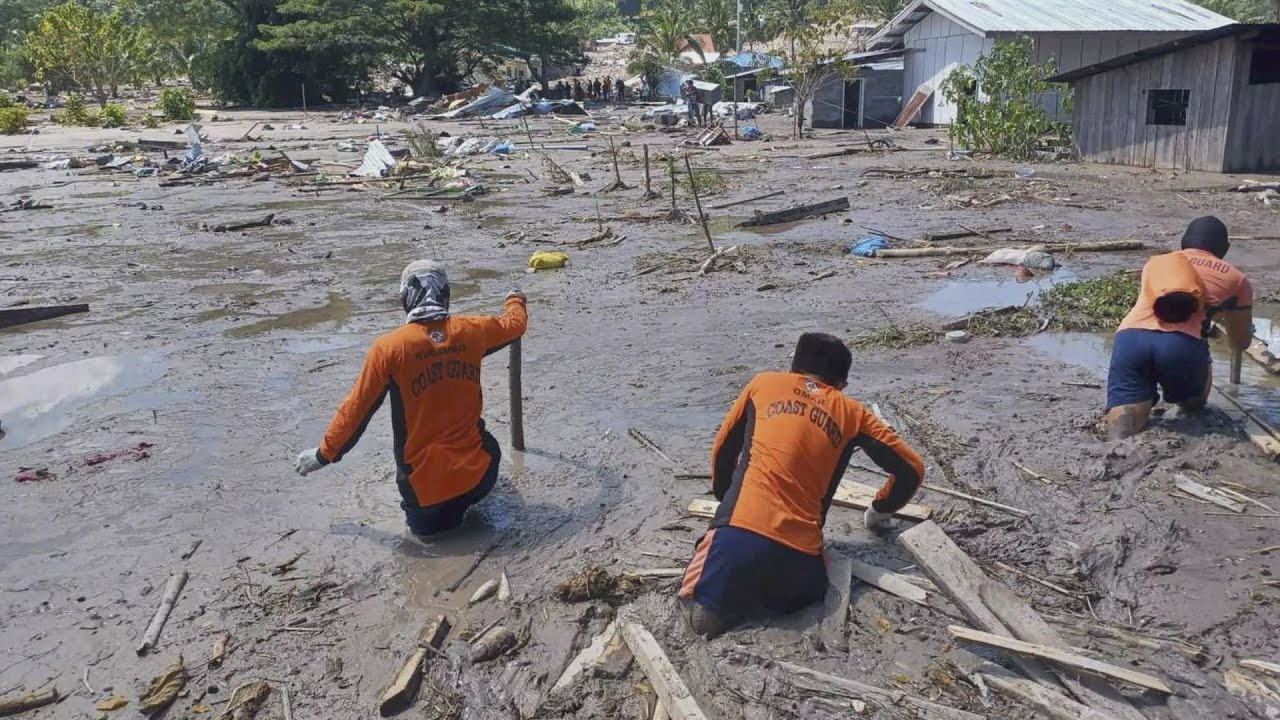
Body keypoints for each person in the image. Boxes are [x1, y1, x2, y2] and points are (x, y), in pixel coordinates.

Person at [678, 333, 926, 638]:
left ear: (793, 369)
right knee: (792, 595)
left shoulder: (763, 385)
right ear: (842, 384)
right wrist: (879, 509)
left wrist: (726, 502)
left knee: (700, 622)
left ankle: (732, 594)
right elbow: (912, 470)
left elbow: (723, 451)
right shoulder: (853, 413)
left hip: (736, 540)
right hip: (800, 564)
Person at [293, 261, 529, 537]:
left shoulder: (389, 349)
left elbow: (356, 411)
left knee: (429, 543)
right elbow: (515, 325)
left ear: (405, 297)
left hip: (426, 497)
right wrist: (515, 299)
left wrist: (323, 455)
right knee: (484, 448)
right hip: (481, 475)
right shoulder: (473, 331)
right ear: (445, 294)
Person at [1105, 216, 1254, 439]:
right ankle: (1187, 405)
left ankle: (1115, 444)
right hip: (1181, 345)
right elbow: (1240, 342)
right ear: (1224, 248)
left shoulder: (1157, 264)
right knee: (1194, 405)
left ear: (1184, 242)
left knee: (1124, 424)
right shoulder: (1237, 279)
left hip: (1131, 339)